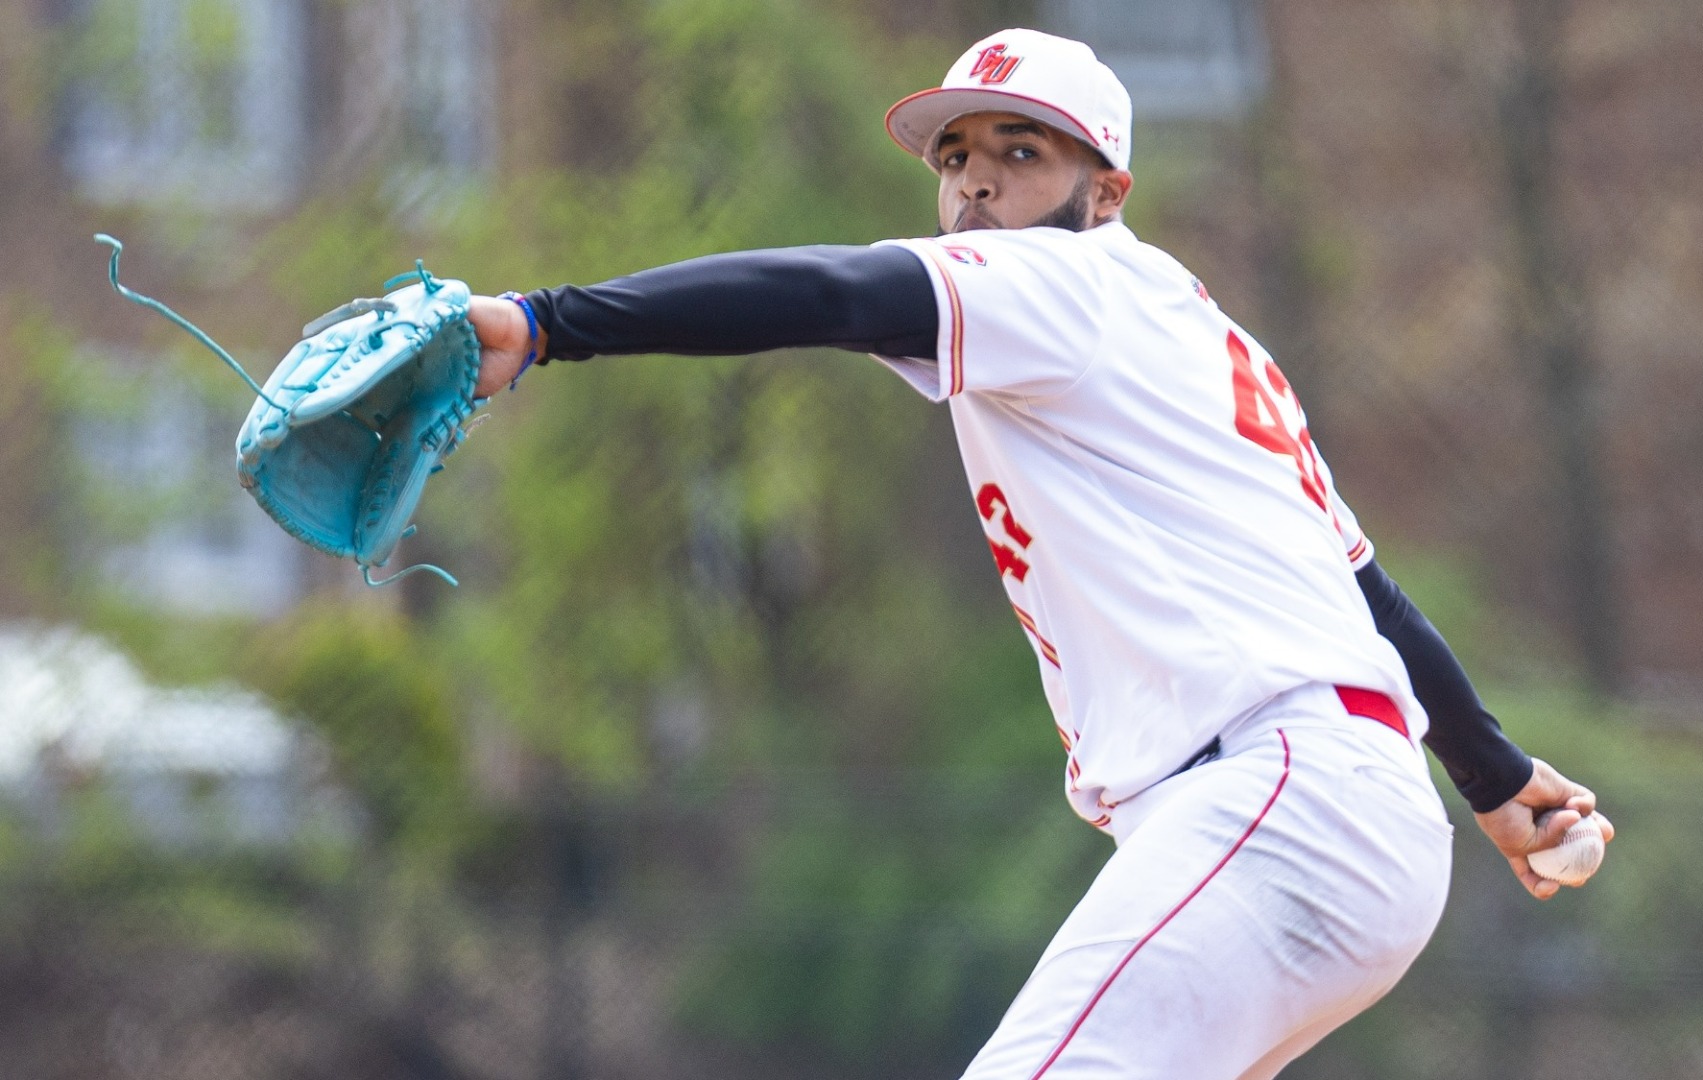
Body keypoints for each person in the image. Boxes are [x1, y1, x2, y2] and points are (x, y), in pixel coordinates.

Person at [465, 28, 1612, 1080]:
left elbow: (828, 290)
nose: (975, 178)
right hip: (1333, 818)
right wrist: (1498, 782)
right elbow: (1373, 601)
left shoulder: (1065, 280)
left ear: (1105, 192)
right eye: (955, 152)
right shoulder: (1197, 332)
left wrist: (550, 322)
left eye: (1022, 150)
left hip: (1276, 803)